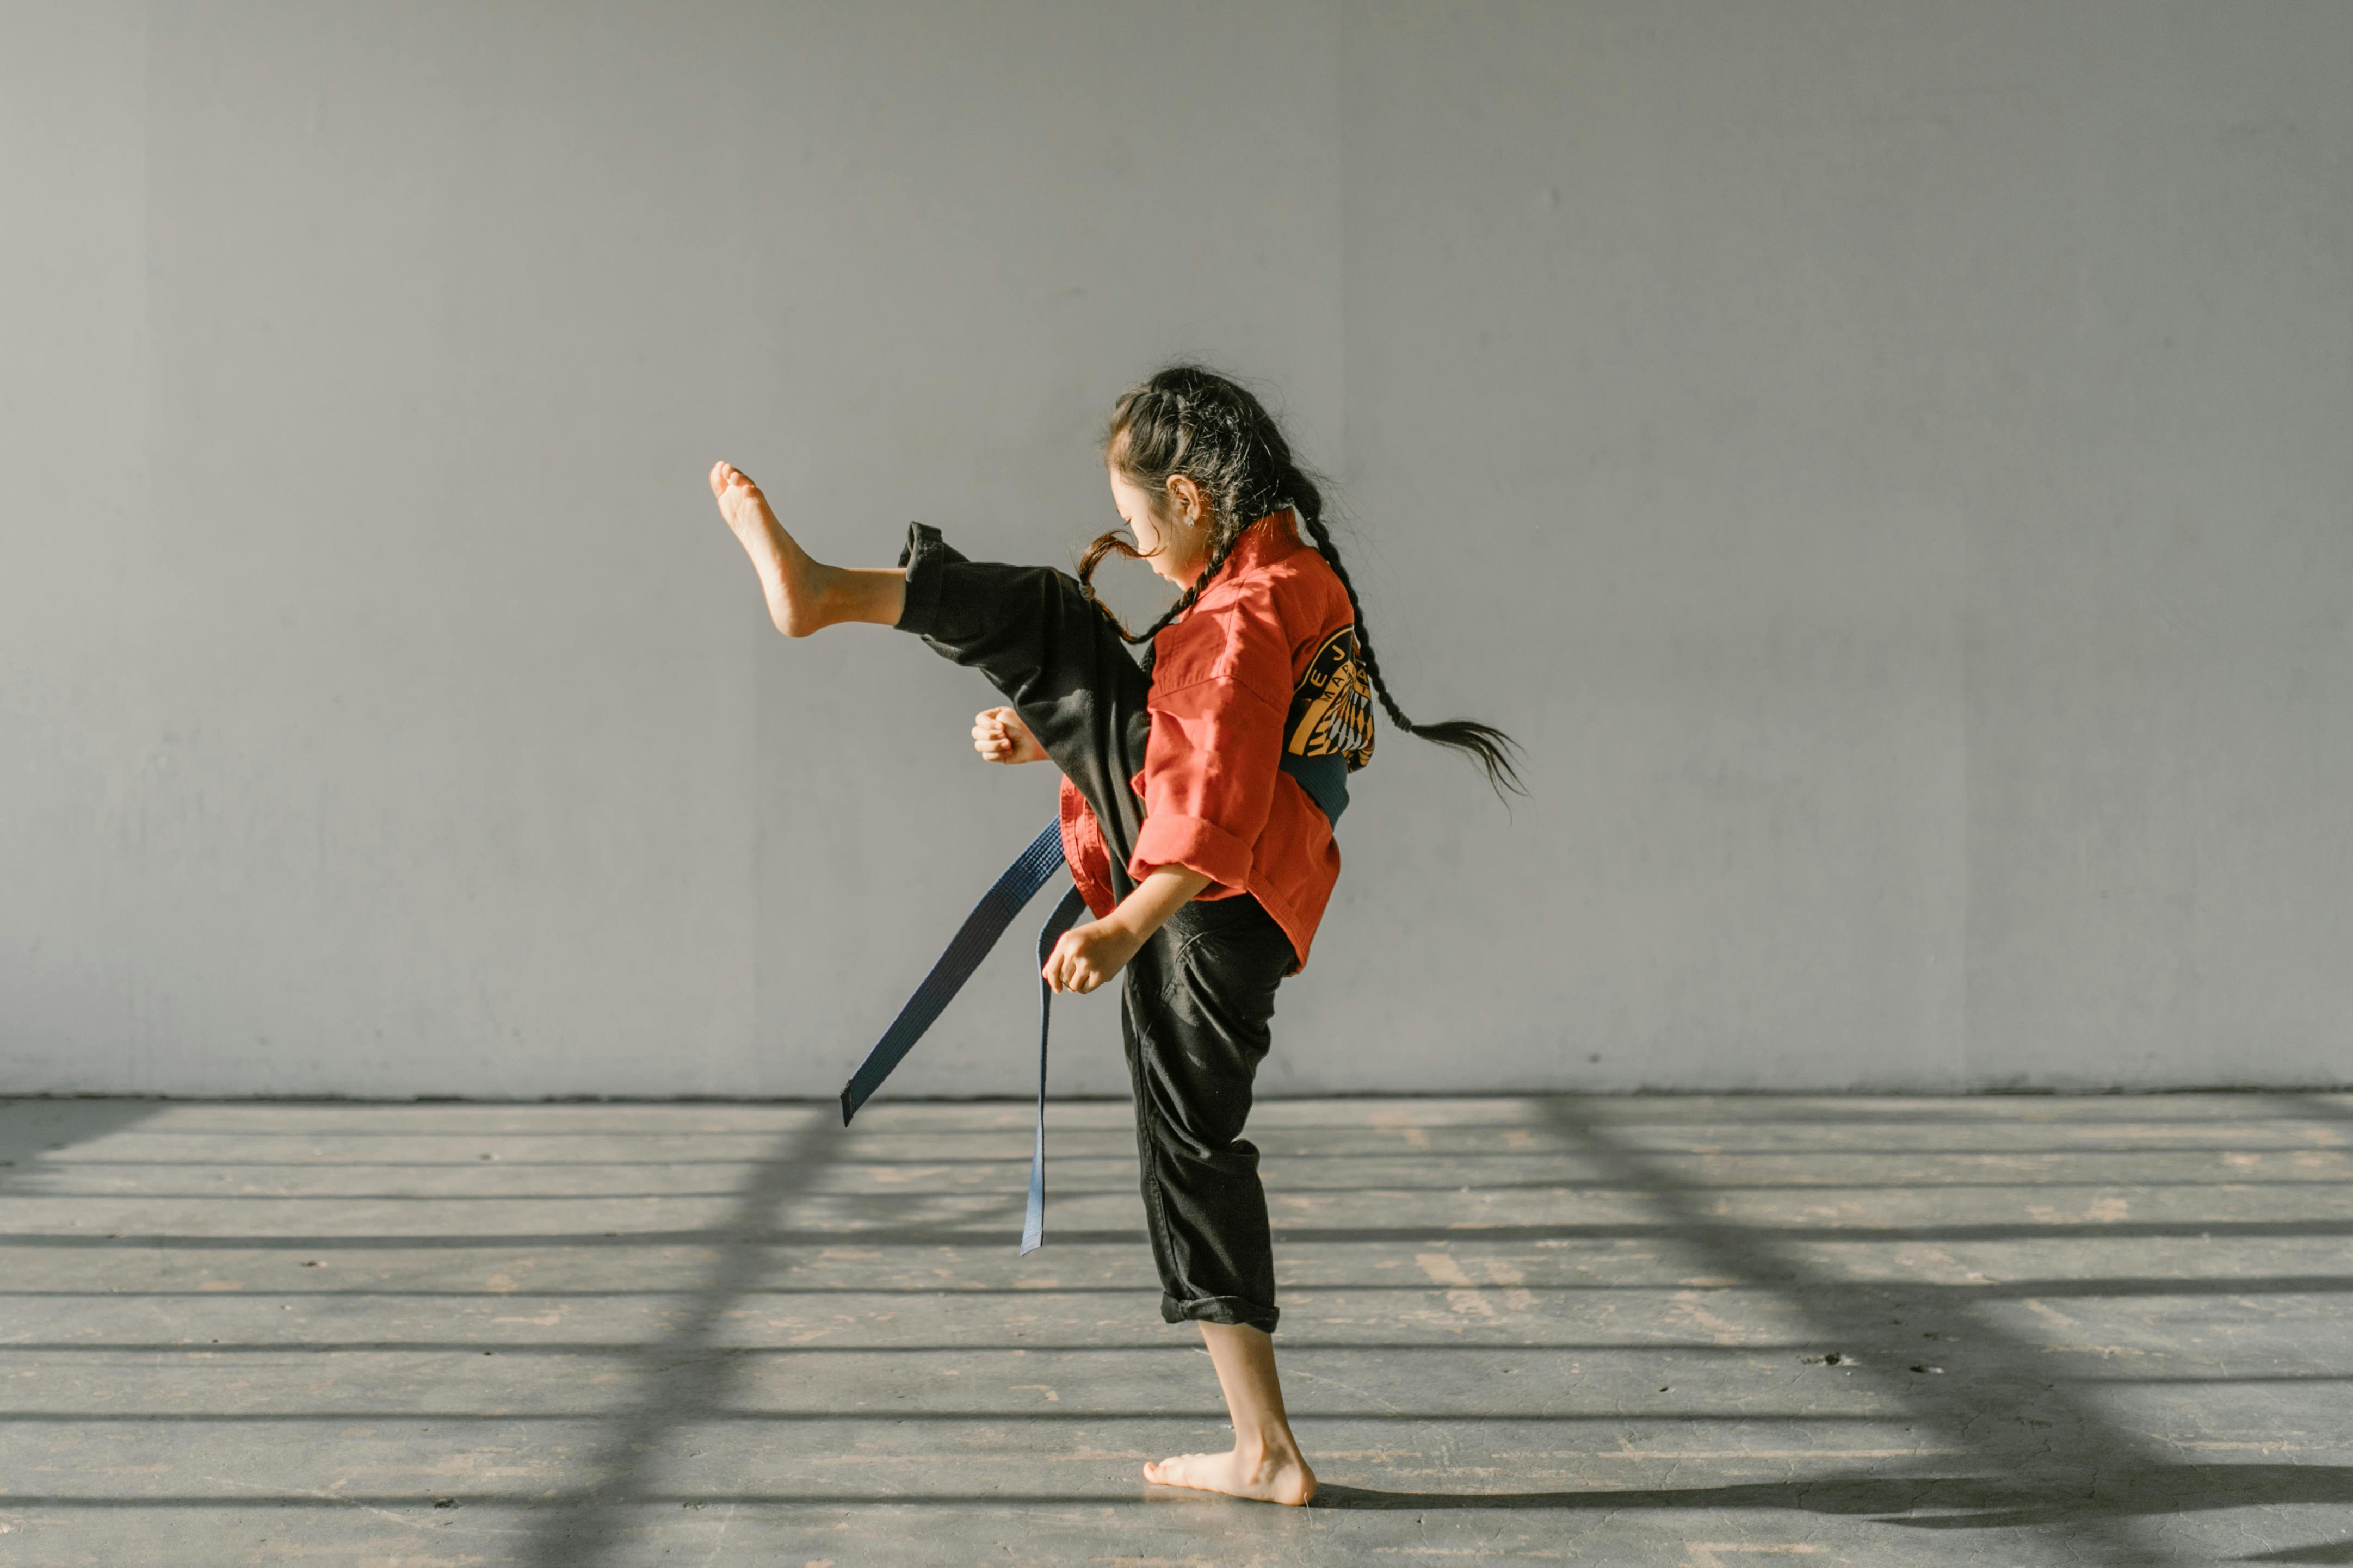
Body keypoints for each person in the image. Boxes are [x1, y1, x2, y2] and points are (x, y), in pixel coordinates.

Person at [709, 365, 1522, 1506]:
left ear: (1192, 497)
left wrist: (1128, 923)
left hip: (1204, 900)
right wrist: (1063, 744)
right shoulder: (1285, 572)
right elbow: (1199, 742)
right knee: (1192, 1148)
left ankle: (825, 593)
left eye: (1138, 528)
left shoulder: (1240, 614)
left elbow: (1218, 792)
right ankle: (1267, 1447)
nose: (1136, 552)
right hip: (1237, 905)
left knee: (1049, 616)